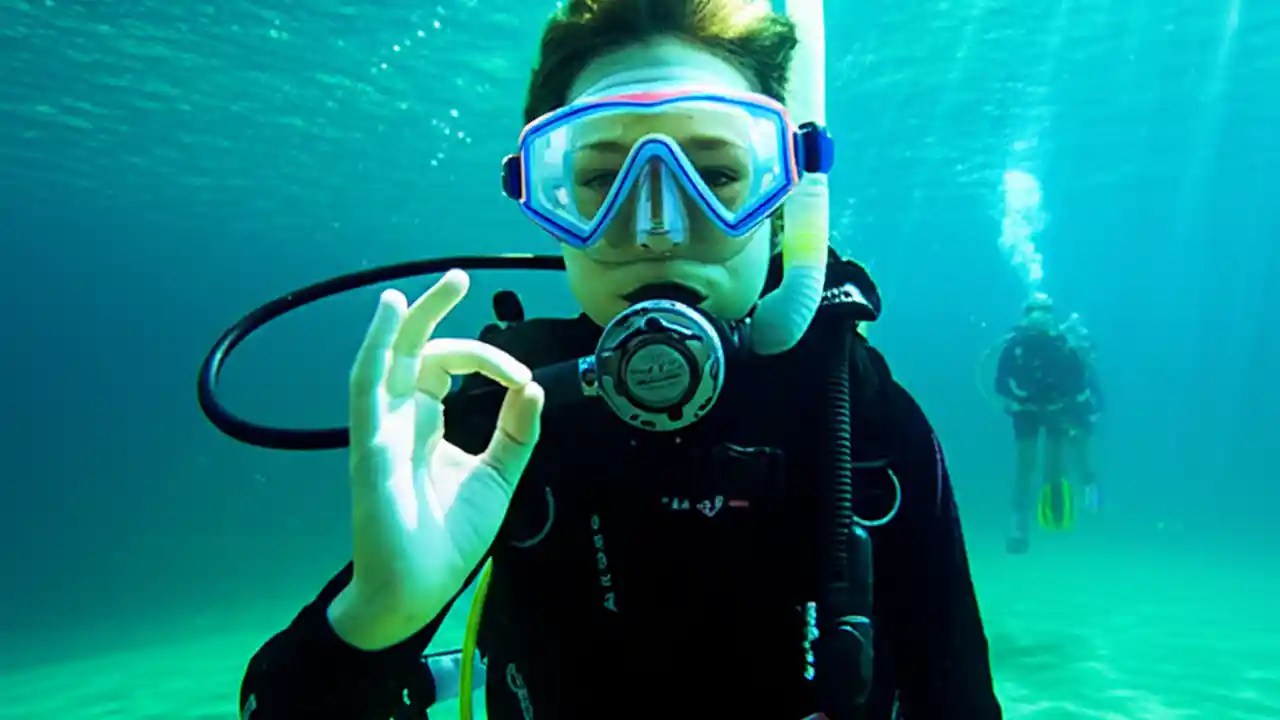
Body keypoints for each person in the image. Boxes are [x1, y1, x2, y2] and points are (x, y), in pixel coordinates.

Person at [237, 0, 1003, 718]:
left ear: (784, 198)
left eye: (719, 174)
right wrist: (377, 616)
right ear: (548, 202)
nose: (660, 229)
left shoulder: (865, 428)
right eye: (603, 180)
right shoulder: (508, 416)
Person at [995, 292, 1101, 554]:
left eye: (1044, 310)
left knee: (1052, 468)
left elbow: (1078, 381)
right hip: (1028, 412)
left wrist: (1073, 410)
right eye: (1035, 310)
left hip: (1052, 411)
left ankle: (1052, 516)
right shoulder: (1016, 345)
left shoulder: (1061, 345)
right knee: (1026, 467)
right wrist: (1018, 401)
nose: (1039, 316)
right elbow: (1000, 383)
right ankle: (1020, 524)